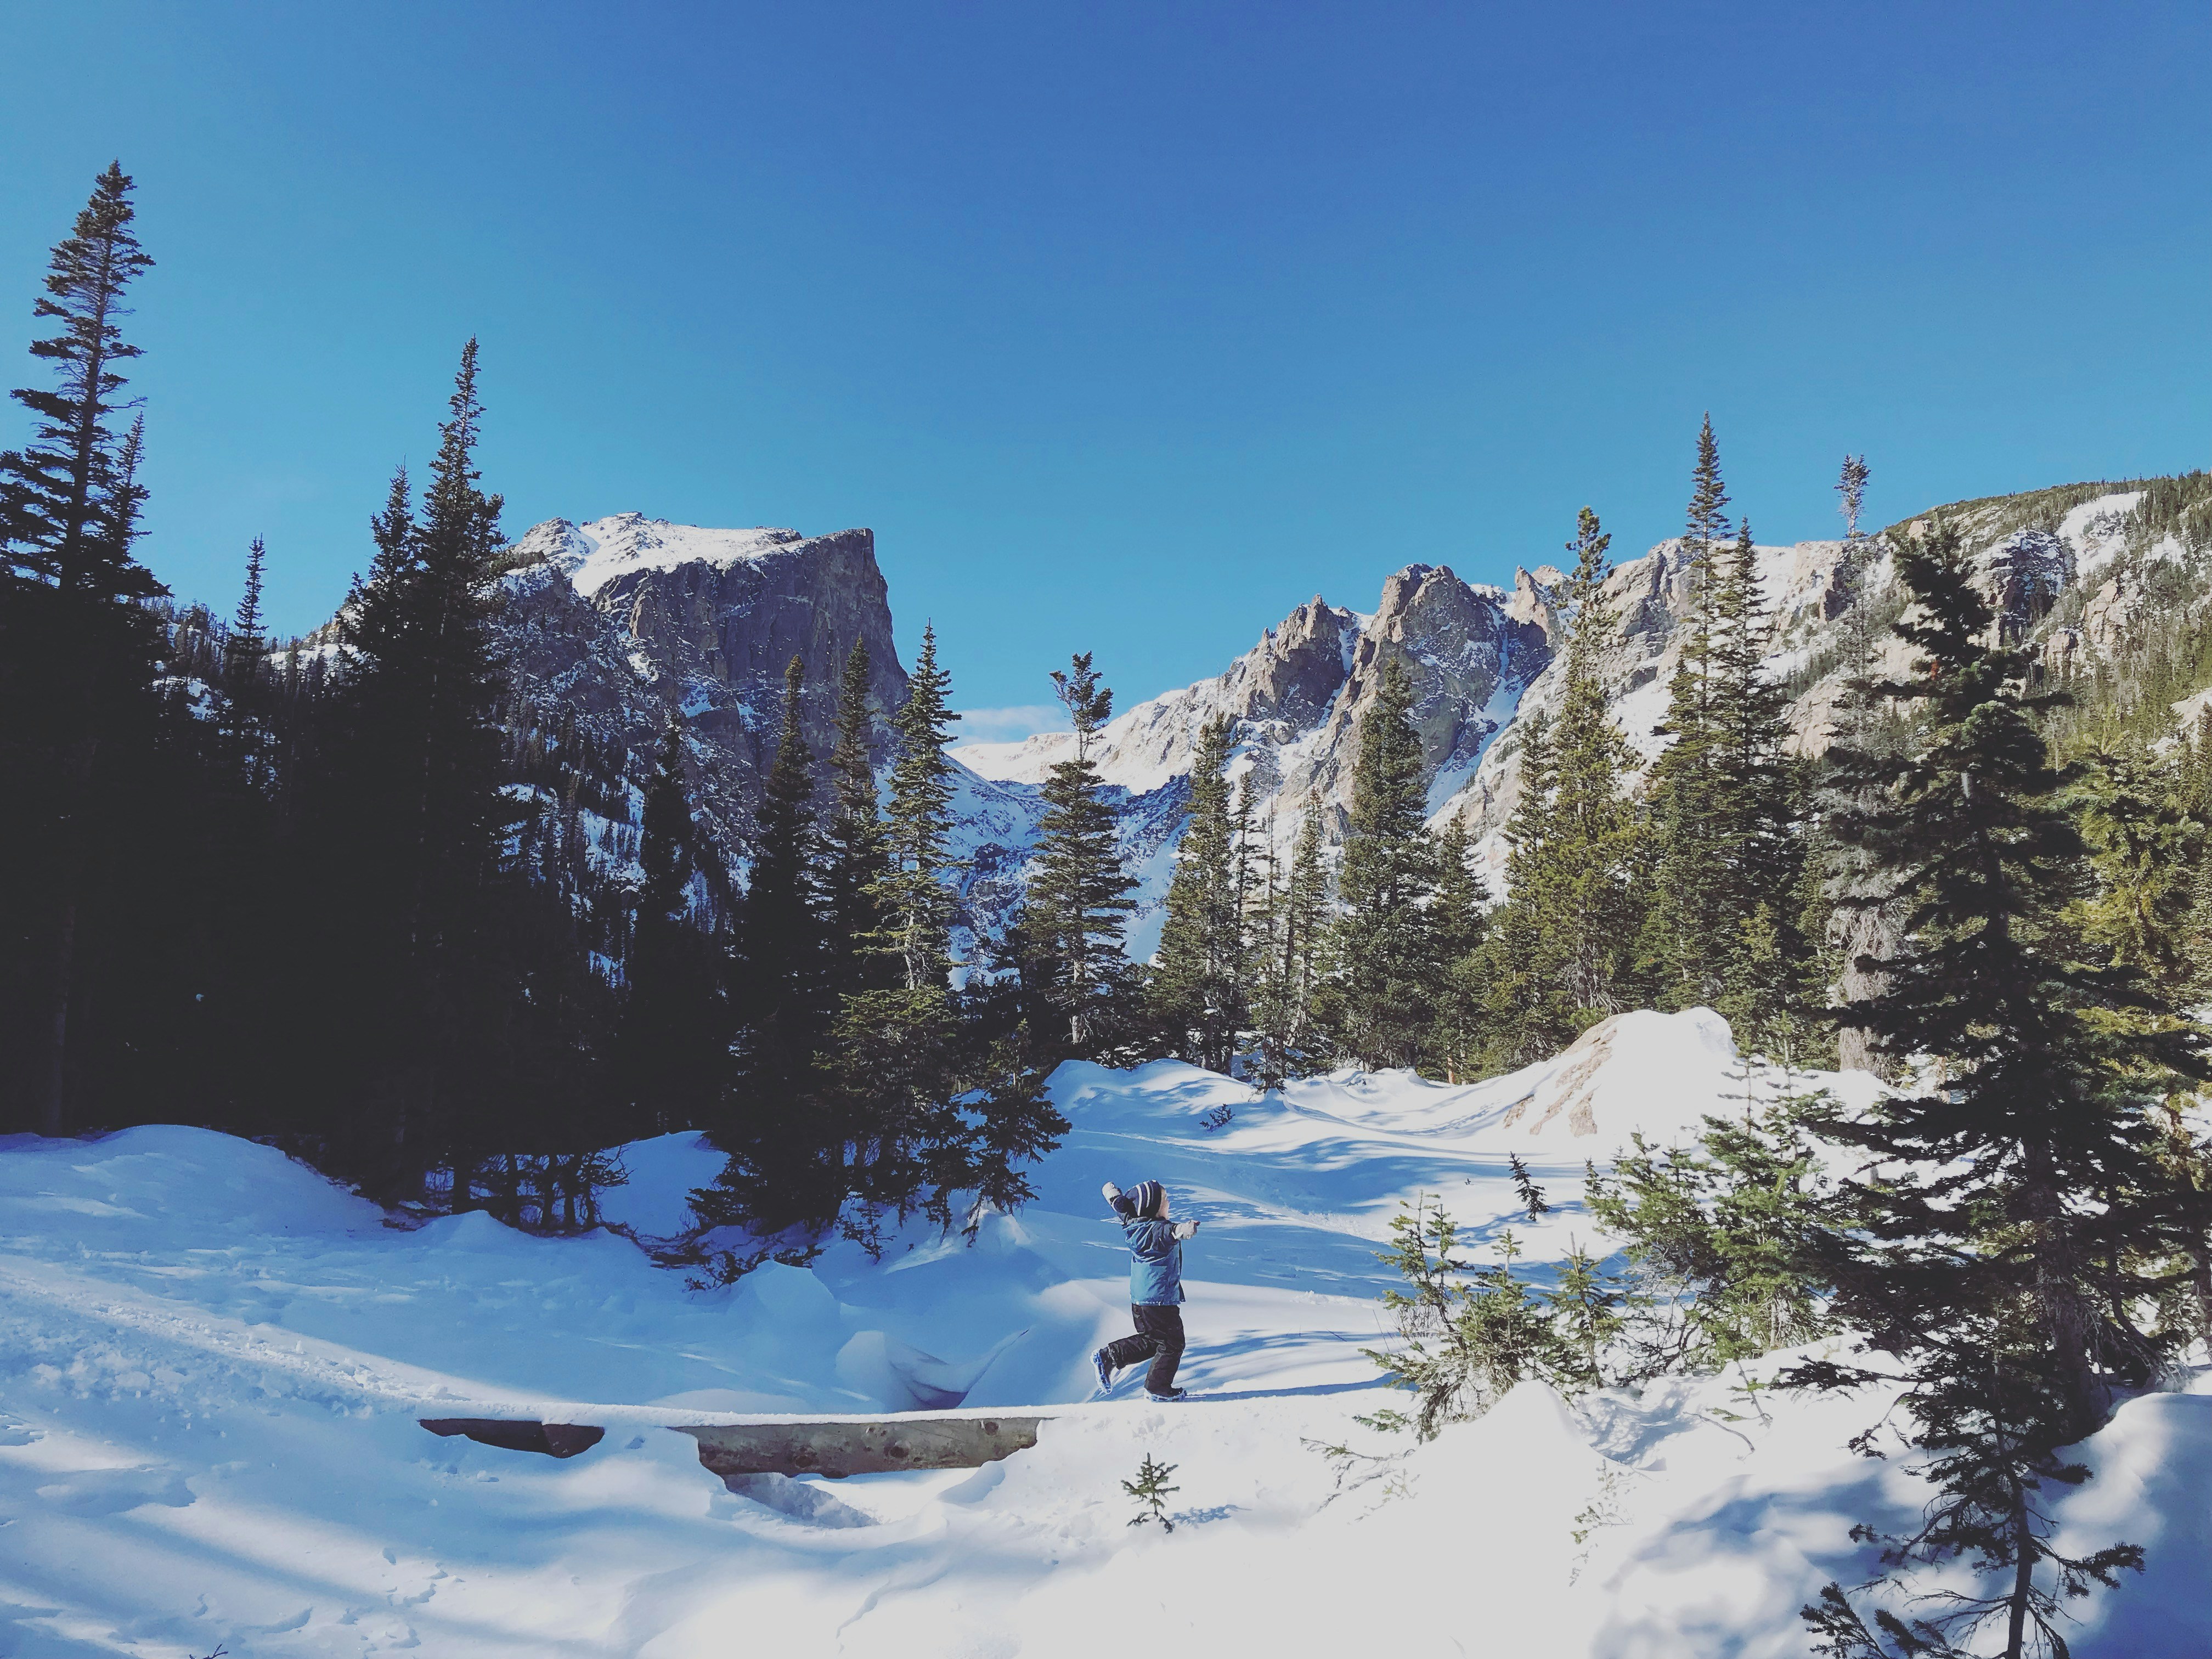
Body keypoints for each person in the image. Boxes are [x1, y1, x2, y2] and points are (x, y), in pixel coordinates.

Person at [1092, 1178, 1201, 1401]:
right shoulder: (1155, 1231)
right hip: (1159, 1300)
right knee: (1172, 1344)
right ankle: (1158, 1388)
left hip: (1143, 1300)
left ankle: (1110, 1357)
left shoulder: (1135, 1224)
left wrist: (1113, 1195)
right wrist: (1185, 1229)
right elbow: (1171, 1233)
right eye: (1166, 1199)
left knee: (1154, 1342)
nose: (1169, 1202)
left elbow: (1122, 1208)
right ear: (1154, 1208)